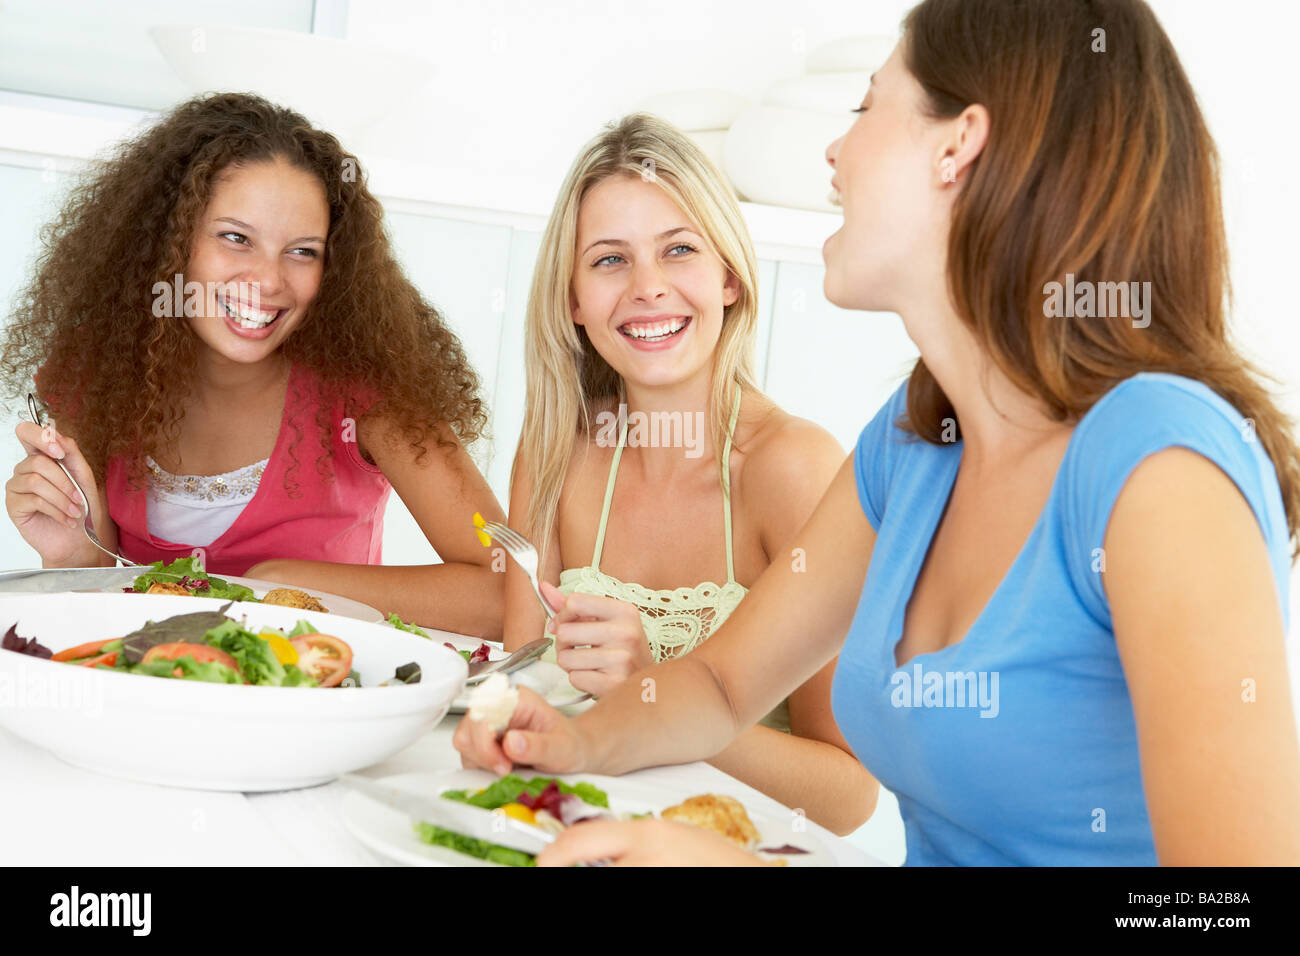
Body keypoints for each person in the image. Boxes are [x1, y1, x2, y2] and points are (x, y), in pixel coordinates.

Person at [458, 0, 1300, 865]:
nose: (834, 152)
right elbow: (718, 684)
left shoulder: (1161, 467)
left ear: (957, 147)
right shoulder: (915, 445)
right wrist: (574, 742)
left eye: (866, 107)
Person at [2, 93, 506, 637]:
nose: (268, 281)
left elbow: (505, 590)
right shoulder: (100, 368)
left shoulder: (370, 392)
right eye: (236, 238)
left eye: (303, 251)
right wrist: (73, 553)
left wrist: (278, 584)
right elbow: (99, 608)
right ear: (169, 239)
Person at [500, 113, 878, 834]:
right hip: (577, 833)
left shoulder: (793, 470)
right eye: (609, 260)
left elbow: (848, 798)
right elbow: (521, 685)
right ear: (573, 299)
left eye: (678, 250)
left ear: (728, 277)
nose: (648, 287)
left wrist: (656, 694)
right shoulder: (555, 449)